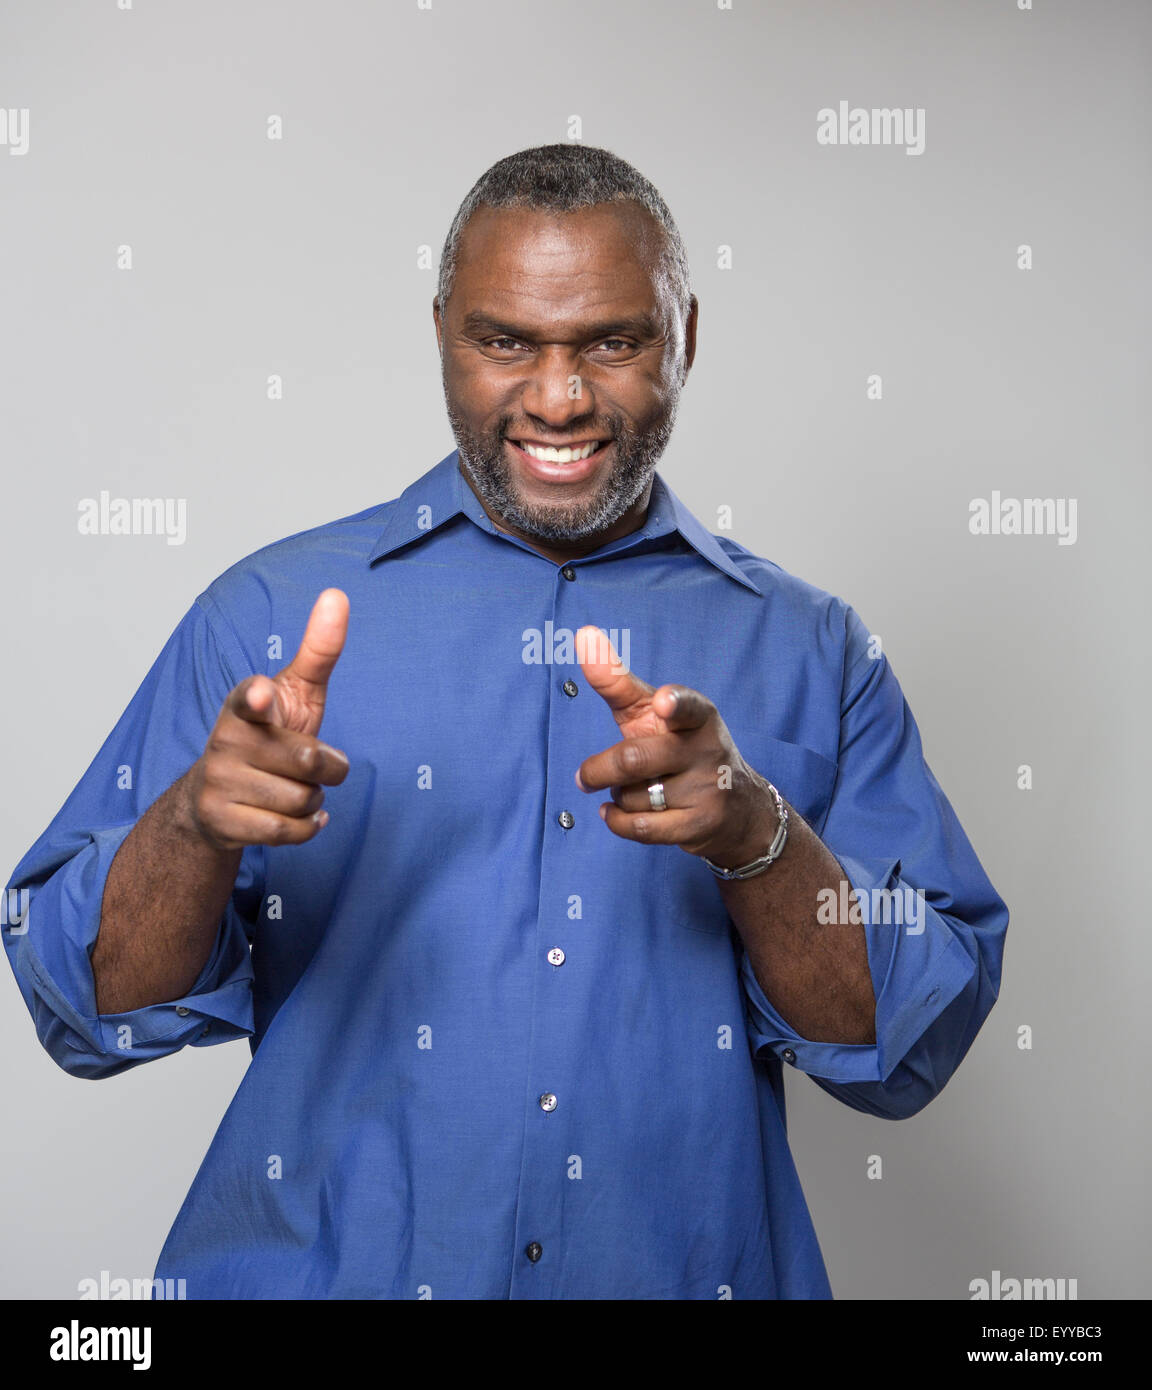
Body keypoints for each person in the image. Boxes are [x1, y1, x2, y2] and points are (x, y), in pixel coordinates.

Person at [3, 143, 1008, 1300]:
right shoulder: (265, 620)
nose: (558, 395)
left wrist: (752, 833)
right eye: (504, 341)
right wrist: (193, 825)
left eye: (611, 342)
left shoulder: (814, 648)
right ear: (441, 333)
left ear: (684, 336)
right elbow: (83, 1009)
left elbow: (913, 1046)